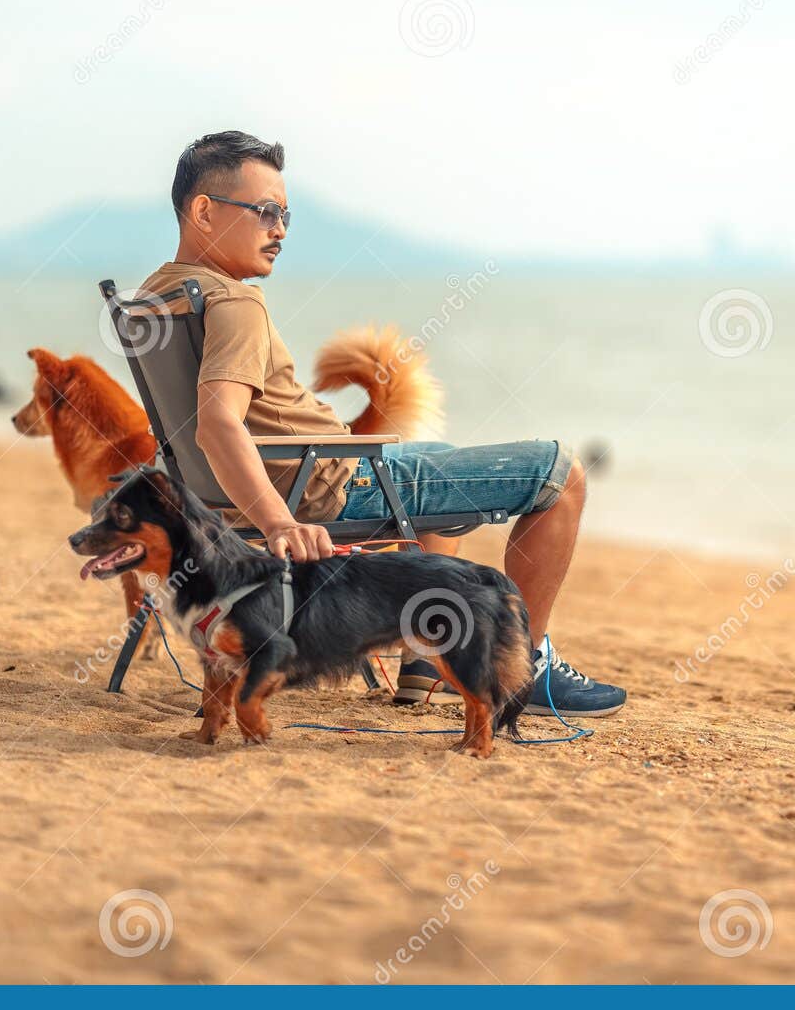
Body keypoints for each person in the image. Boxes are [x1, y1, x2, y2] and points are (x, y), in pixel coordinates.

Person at [137, 131, 625, 717]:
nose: (281, 229)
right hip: (325, 487)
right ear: (204, 210)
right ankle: (529, 669)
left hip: (228, 491)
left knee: (439, 456)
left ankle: (428, 653)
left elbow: (199, 430)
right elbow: (218, 423)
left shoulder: (157, 295)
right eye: (264, 212)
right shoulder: (236, 302)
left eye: (285, 214)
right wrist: (279, 521)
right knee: (560, 474)